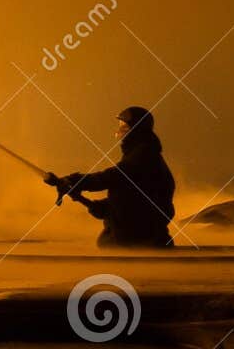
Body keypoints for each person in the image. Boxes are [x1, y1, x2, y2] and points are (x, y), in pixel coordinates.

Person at [44, 105, 176, 248]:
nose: (120, 131)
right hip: (136, 236)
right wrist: (105, 207)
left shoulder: (143, 156)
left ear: (137, 130)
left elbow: (113, 177)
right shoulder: (144, 154)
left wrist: (76, 181)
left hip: (136, 240)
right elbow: (133, 196)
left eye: (125, 127)